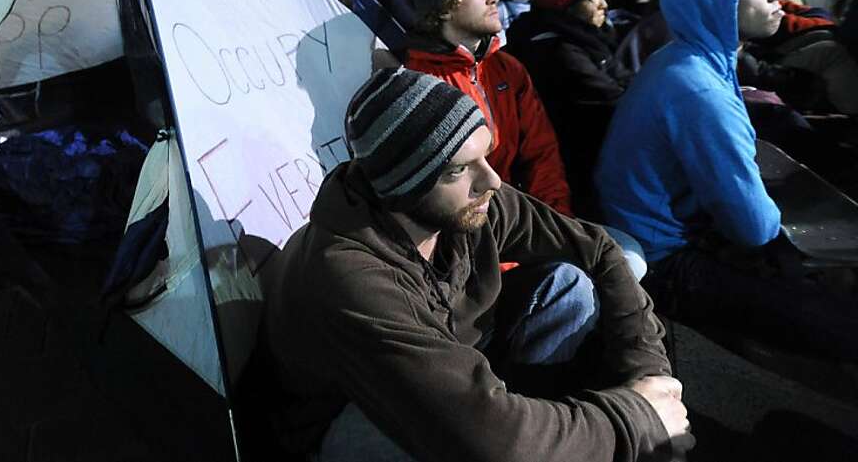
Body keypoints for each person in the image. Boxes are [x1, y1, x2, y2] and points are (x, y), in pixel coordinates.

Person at [261, 68, 690, 462]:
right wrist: (638, 420)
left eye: (486, 155)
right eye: (458, 171)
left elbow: (599, 248)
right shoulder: (351, 276)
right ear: (404, 187)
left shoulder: (472, 200)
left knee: (570, 284)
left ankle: (525, 415)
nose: (492, 180)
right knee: (474, 444)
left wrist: (651, 376)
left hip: (450, 373)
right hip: (348, 416)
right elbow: (494, 443)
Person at [595, 0, 858, 361]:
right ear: (714, 1)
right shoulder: (698, 88)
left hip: (666, 233)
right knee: (841, 322)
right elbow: (753, 228)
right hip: (666, 261)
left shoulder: (688, 59)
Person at [405, 0, 573, 216]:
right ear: (445, 8)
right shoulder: (421, 84)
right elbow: (439, 194)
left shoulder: (507, 69)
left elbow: (542, 154)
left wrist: (556, 221)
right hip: (470, 235)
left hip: (520, 221)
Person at [507, 0, 632, 212]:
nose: (603, 5)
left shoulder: (585, 37)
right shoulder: (560, 53)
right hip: (577, 166)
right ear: (568, 6)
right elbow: (615, 100)